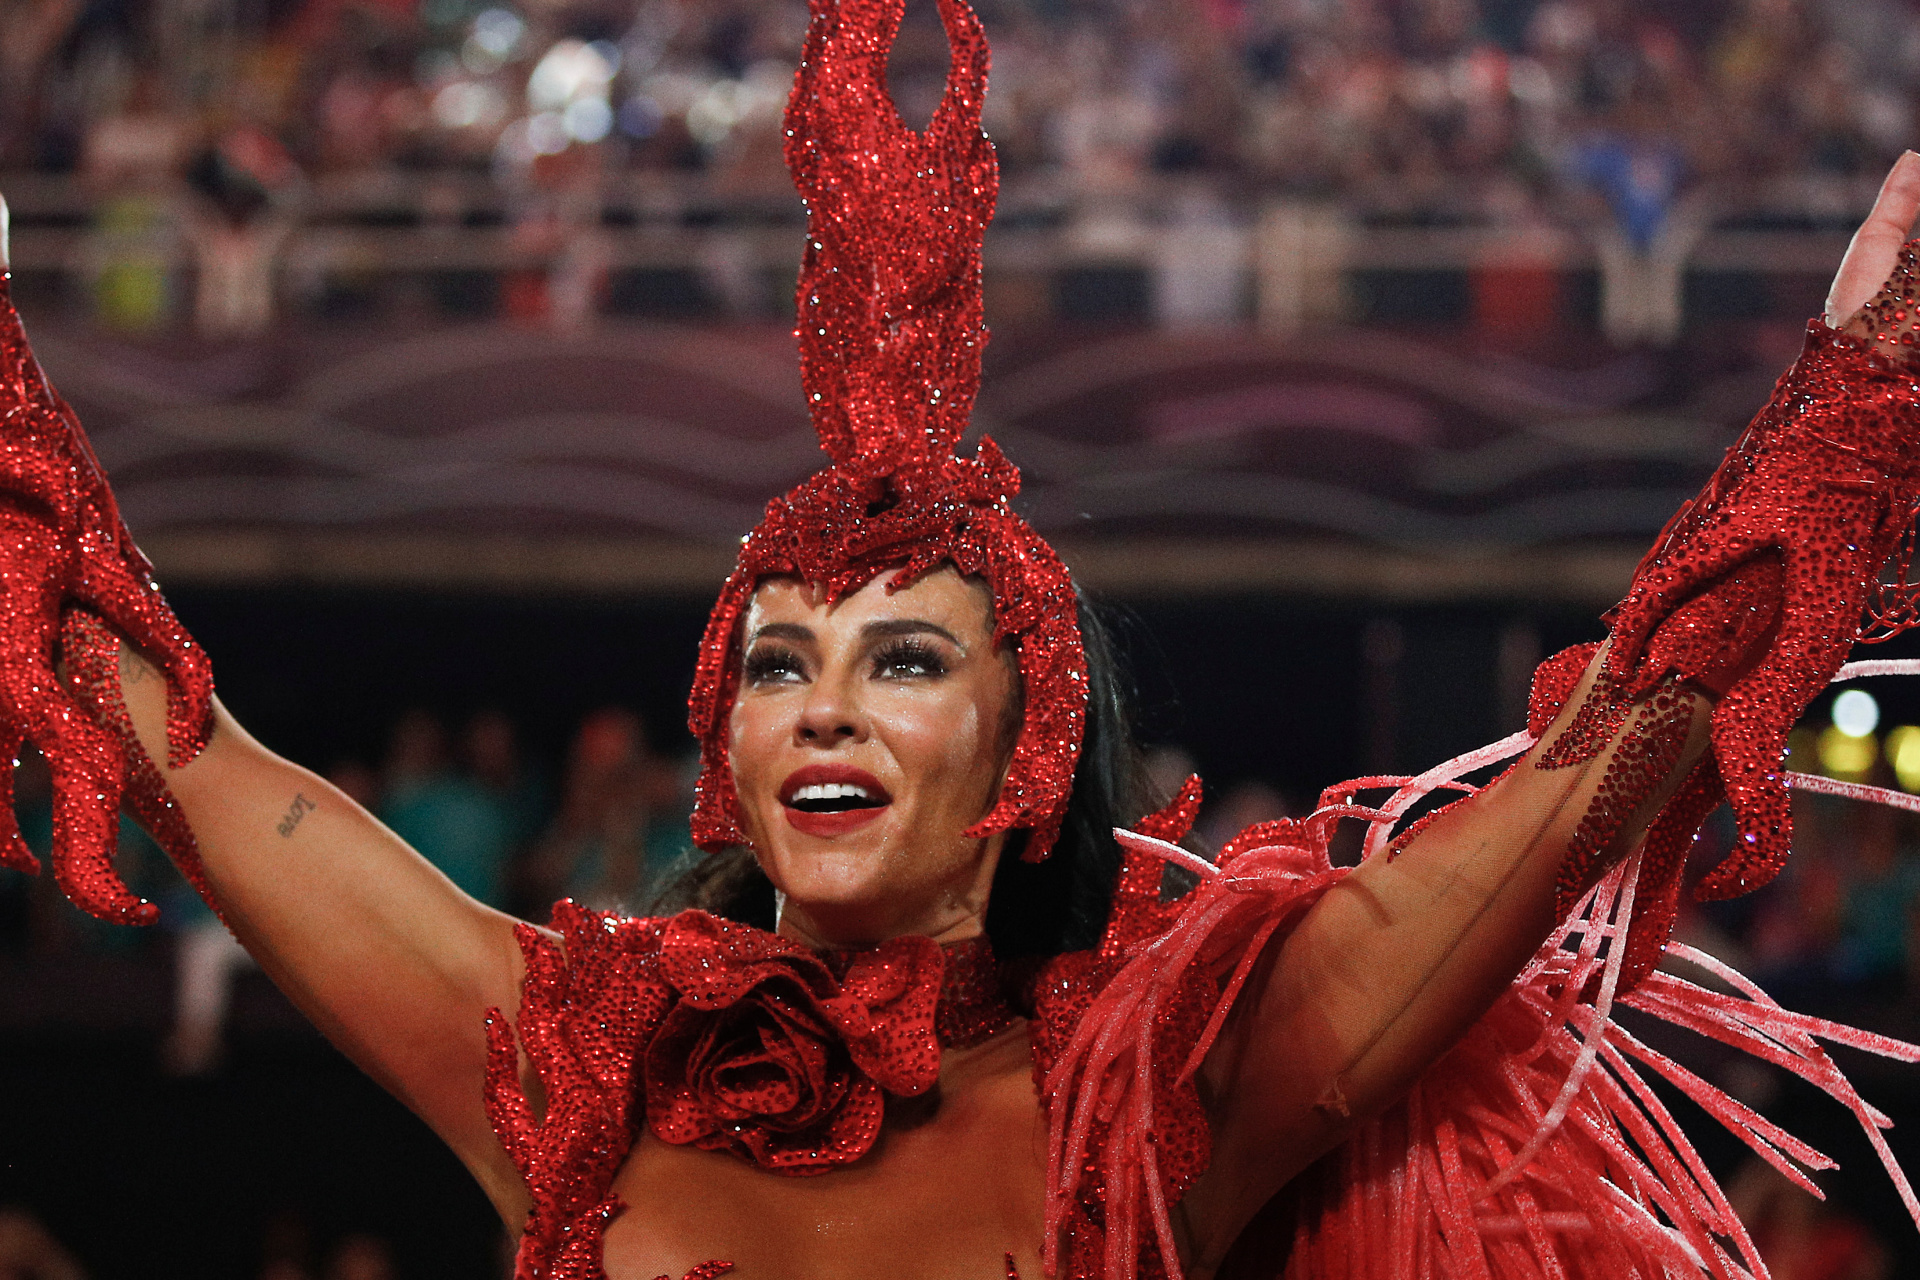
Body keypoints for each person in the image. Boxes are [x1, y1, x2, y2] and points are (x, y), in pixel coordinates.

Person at [5, 0, 1920, 1276]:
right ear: (725, 751)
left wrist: (1852, 409)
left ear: (1026, 756)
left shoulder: (1154, 1089)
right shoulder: (573, 1061)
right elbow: (197, 763)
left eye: (906, 660)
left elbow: (1602, 771)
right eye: (779, 663)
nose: (825, 705)